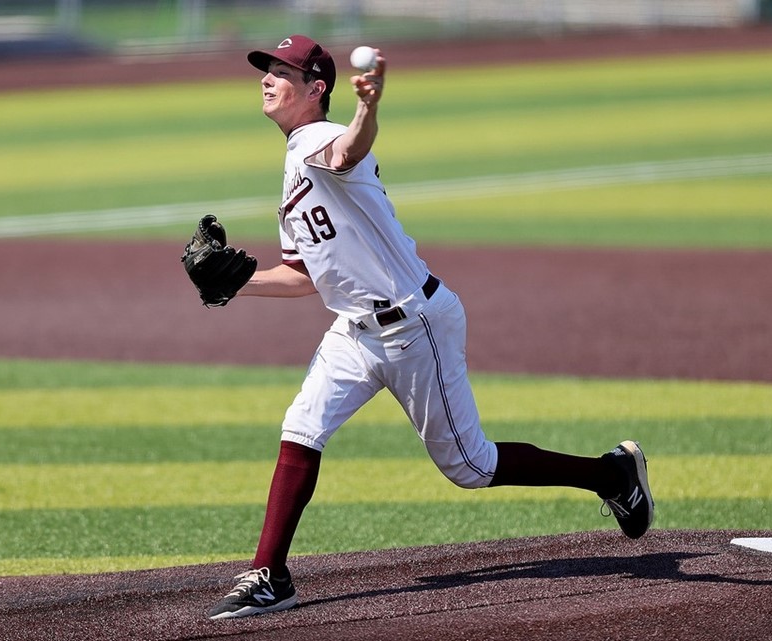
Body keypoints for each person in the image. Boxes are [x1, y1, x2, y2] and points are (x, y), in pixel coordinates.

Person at [204, 34, 654, 620]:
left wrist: (368, 106)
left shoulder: (317, 140)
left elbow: (347, 149)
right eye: (265, 68)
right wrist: (236, 283)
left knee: (470, 466)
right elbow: (301, 277)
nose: (267, 77)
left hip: (415, 327)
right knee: (302, 427)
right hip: (354, 330)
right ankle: (270, 574)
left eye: (281, 71)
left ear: (316, 90)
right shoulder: (293, 170)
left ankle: (611, 474)